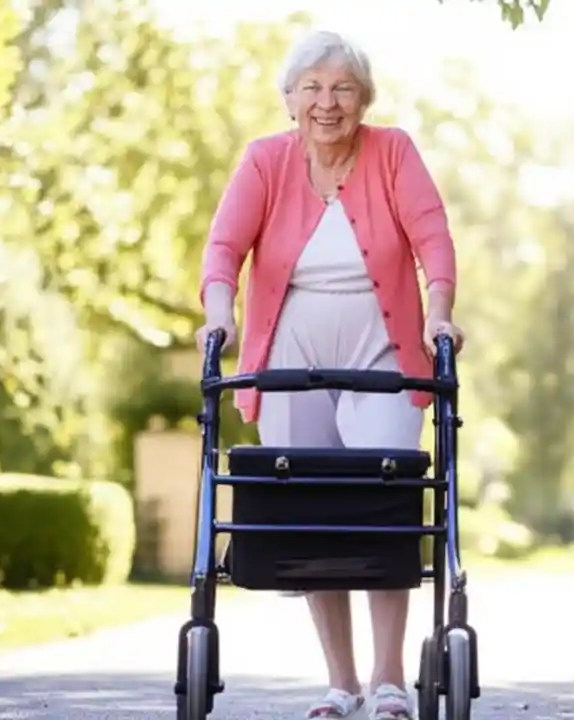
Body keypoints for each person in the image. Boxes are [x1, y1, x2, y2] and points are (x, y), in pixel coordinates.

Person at [195, 29, 464, 720]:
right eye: (312, 87)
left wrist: (439, 314)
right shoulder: (264, 162)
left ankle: (389, 681)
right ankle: (341, 683)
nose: (327, 101)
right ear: (289, 100)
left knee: (383, 502)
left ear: (365, 99)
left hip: (382, 344)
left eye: (343, 87)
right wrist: (220, 317)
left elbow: (432, 236)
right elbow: (224, 248)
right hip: (290, 347)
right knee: (308, 505)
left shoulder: (393, 151)